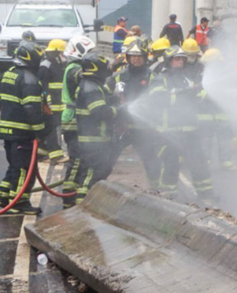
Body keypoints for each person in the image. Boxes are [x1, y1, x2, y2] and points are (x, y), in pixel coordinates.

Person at [143, 46, 215, 202]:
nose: (180, 62)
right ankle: (168, 198)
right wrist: (185, 95)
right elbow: (158, 99)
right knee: (170, 166)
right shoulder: (161, 79)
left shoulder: (187, 78)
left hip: (191, 130)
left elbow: (197, 96)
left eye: (182, 59)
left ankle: (207, 195)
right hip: (170, 131)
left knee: (199, 163)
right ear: (169, 61)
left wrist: (204, 95)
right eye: (177, 59)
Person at [0, 42, 46, 214]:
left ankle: (4, 195)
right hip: (22, 131)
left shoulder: (8, 74)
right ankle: (19, 202)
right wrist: (39, 130)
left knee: (14, 165)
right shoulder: (30, 80)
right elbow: (32, 109)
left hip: (7, 129)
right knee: (25, 168)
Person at [110, 39, 161, 189]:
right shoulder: (118, 76)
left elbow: (157, 98)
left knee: (151, 162)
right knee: (107, 160)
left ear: (145, 57)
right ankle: (94, 191)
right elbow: (106, 95)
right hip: (121, 127)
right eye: (133, 55)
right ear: (128, 57)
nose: (136, 58)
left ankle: (155, 191)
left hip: (142, 129)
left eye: (139, 56)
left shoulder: (152, 77)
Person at [73, 53, 118, 203]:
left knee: (101, 171)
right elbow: (100, 112)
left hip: (96, 138)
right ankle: (82, 205)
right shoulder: (91, 87)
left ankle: (89, 204)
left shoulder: (91, 85)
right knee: (91, 174)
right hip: (93, 139)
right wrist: (119, 110)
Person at [60, 35, 97, 208]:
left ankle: (73, 195)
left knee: (81, 157)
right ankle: (69, 197)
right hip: (73, 118)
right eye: (89, 52)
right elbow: (87, 80)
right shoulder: (74, 68)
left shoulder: (74, 67)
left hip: (76, 117)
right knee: (76, 158)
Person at [38, 39, 68, 162]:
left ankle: (41, 152)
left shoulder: (57, 64)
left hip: (59, 102)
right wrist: (47, 103)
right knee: (54, 128)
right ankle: (56, 155)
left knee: (50, 128)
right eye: (62, 52)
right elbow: (43, 86)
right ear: (57, 52)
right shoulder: (46, 65)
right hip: (52, 104)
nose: (64, 55)